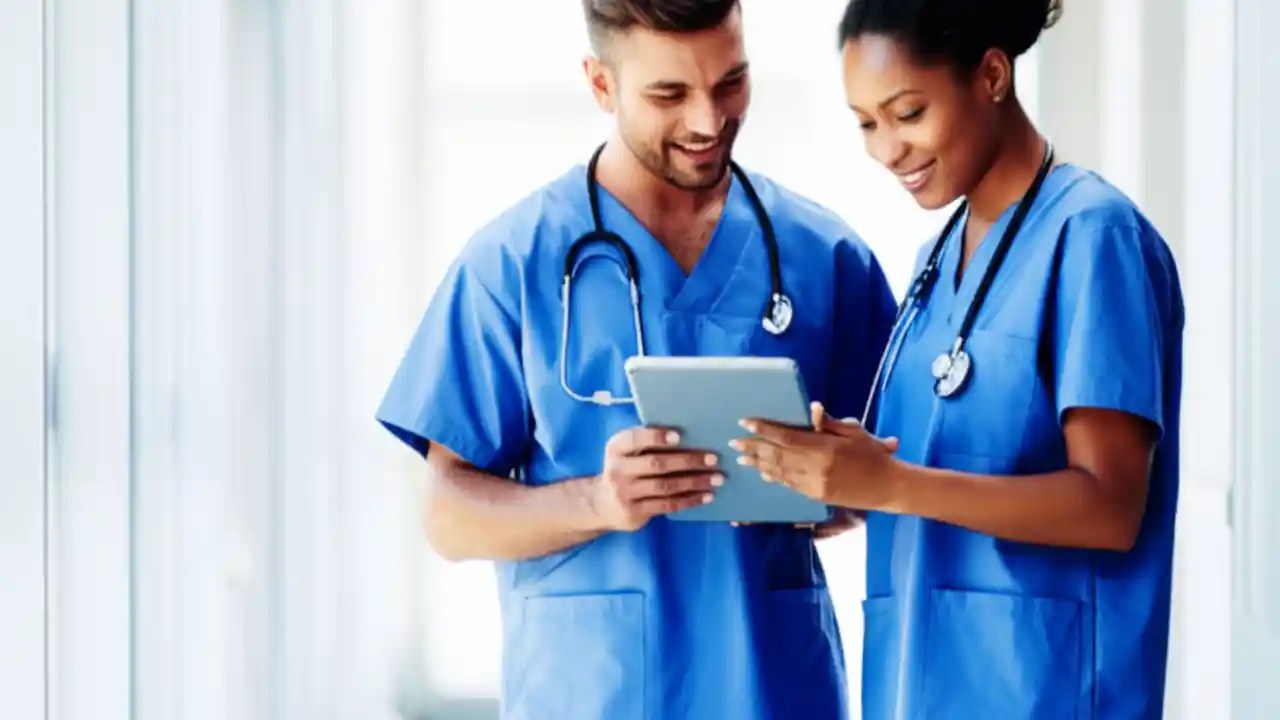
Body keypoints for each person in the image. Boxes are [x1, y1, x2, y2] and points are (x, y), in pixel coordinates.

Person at [376, 1, 897, 717]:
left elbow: (892, 476)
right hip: (593, 691)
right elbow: (447, 513)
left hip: (772, 687)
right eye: (669, 95)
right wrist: (598, 500)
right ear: (600, 84)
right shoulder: (514, 262)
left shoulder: (822, 256)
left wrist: (818, 483)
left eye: (730, 82)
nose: (709, 122)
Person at [731, 1, 1185, 718]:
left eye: (908, 112)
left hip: (1045, 690)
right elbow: (932, 471)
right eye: (866, 122)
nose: (887, 149)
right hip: (920, 684)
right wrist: (829, 484)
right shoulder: (935, 264)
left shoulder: (1094, 236)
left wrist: (891, 483)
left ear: (992, 75)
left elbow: (1110, 504)